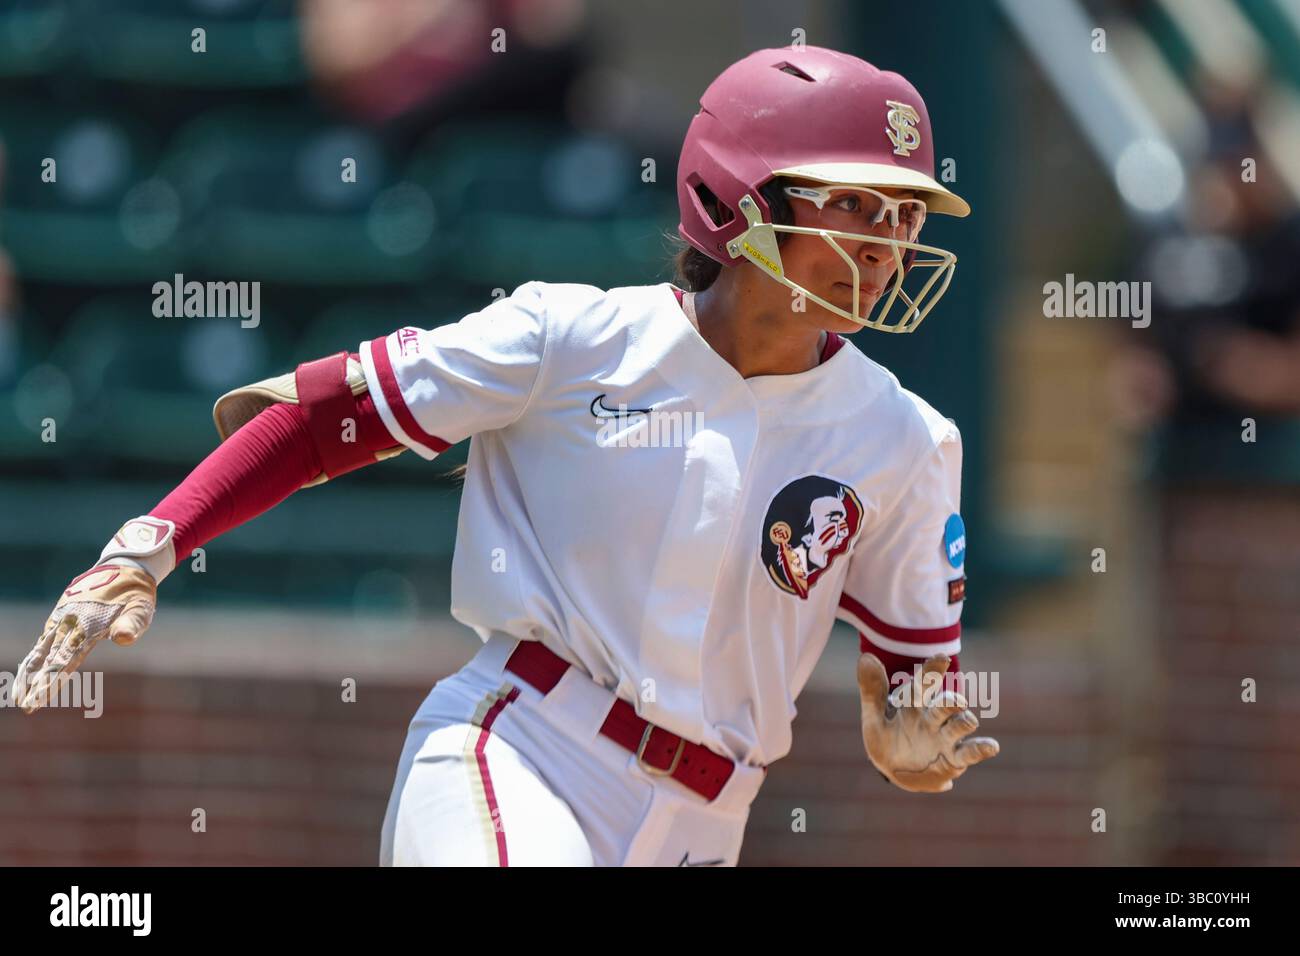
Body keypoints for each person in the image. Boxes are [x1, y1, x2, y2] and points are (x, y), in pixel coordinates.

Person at [14, 45, 999, 866]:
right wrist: (151, 542)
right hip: (525, 746)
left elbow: (913, 681)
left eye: (905, 214)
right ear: (740, 196)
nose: (888, 243)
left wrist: (910, 741)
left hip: (708, 823)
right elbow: (325, 416)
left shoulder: (905, 438)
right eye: (857, 204)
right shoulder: (573, 336)